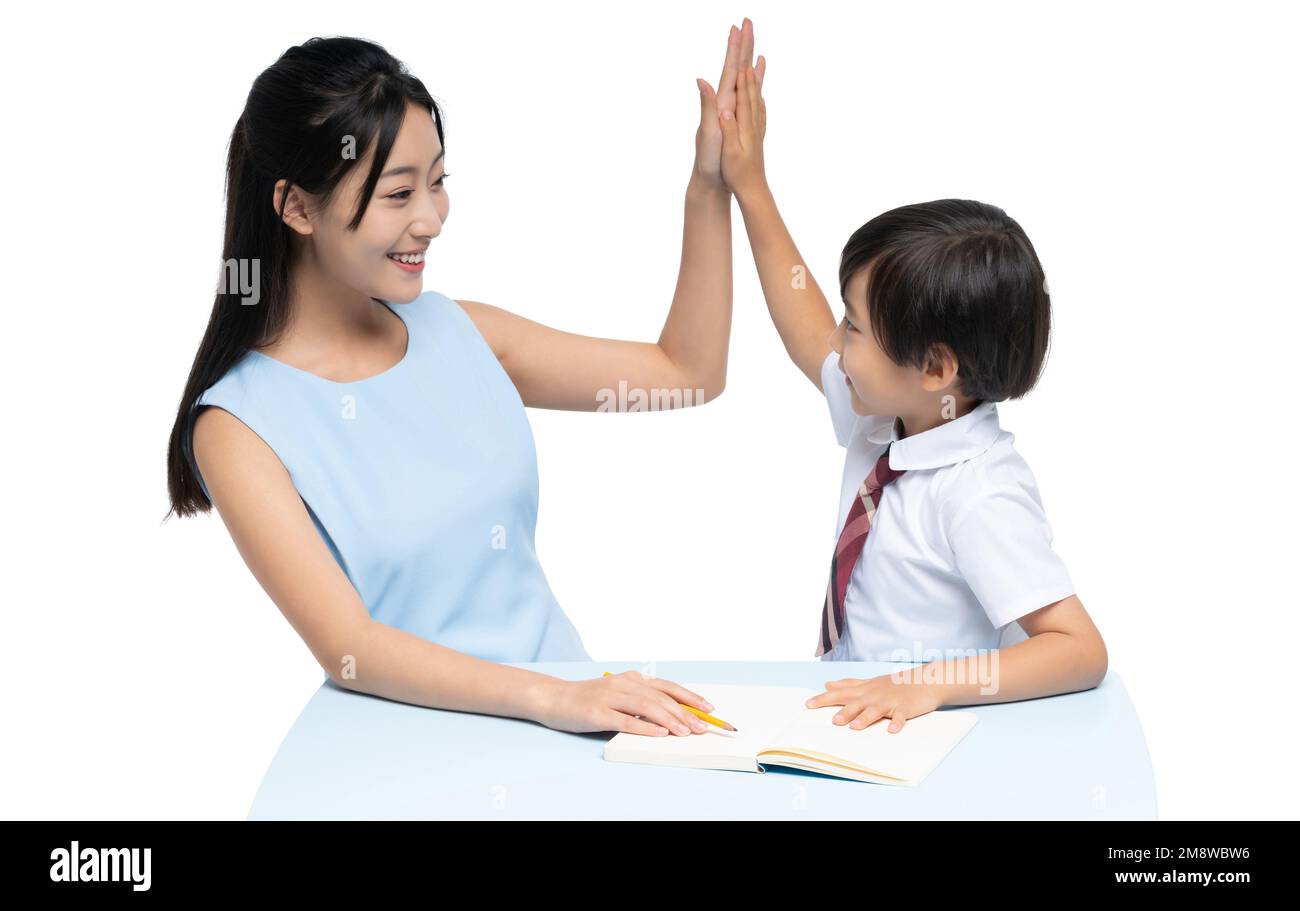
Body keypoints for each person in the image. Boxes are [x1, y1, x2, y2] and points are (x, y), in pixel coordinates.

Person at [164, 25, 765, 739]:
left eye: (438, 182)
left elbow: (686, 374)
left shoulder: (459, 334)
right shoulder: (238, 424)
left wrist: (710, 184)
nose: (432, 219)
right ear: (296, 207)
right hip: (431, 750)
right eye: (397, 194)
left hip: (589, 725)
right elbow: (349, 647)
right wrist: (554, 699)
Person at [716, 44, 1108, 733]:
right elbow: (806, 322)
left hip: (922, 738)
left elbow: (1078, 649)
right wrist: (750, 182)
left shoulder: (978, 490)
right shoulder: (891, 416)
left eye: (856, 329)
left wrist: (924, 686)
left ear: (935, 368)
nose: (837, 346)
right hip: (848, 714)